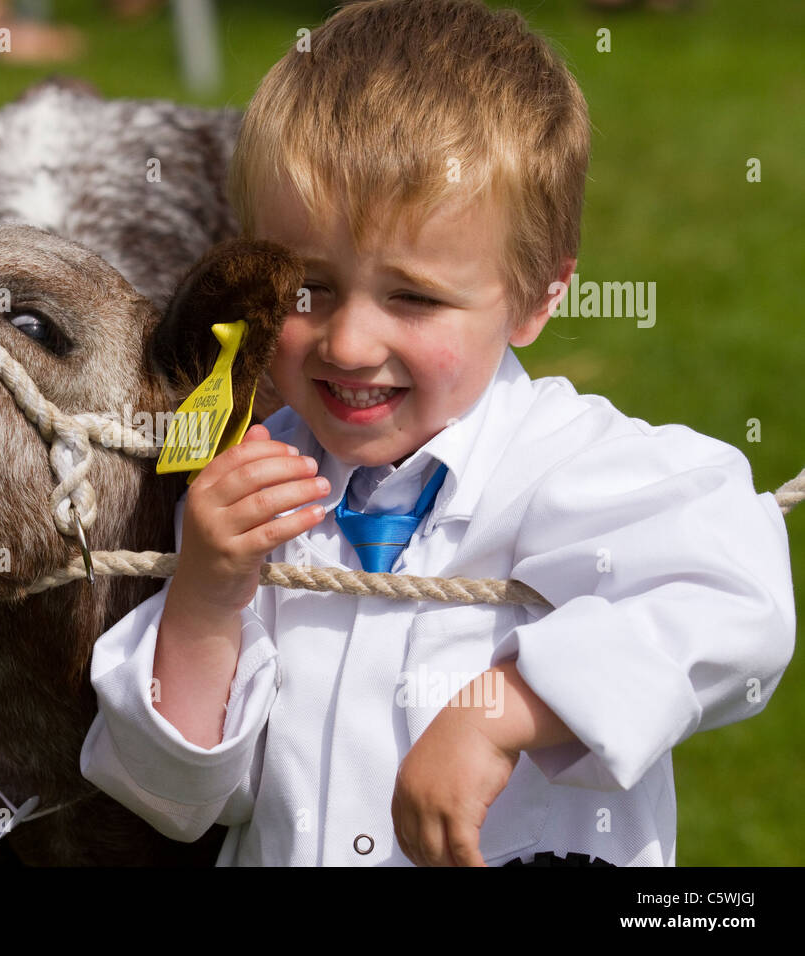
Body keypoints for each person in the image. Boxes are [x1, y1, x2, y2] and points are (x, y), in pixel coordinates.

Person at [79, 0, 795, 866]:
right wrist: (204, 597)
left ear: (538, 294)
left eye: (412, 297)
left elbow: (735, 602)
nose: (348, 343)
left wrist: (504, 710)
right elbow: (176, 800)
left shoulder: (580, 468)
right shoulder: (249, 485)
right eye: (308, 288)